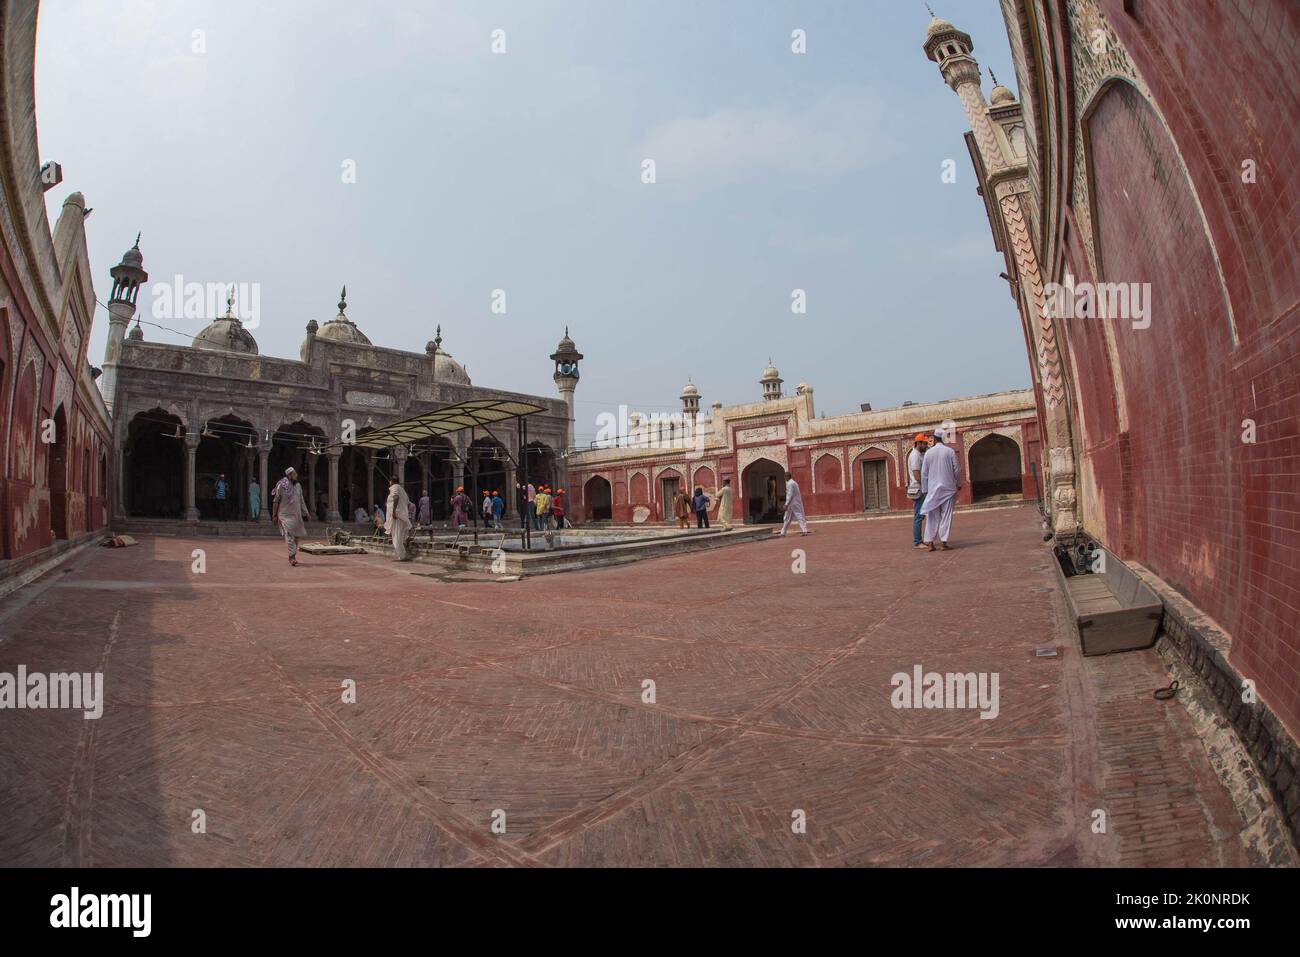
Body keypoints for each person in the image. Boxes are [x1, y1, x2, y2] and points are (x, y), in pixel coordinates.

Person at [920, 427, 962, 551]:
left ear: (933, 438)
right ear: (943, 438)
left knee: (932, 516)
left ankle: (931, 543)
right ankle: (944, 542)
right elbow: (957, 469)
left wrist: (925, 490)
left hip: (933, 490)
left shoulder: (929, 453)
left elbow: (924, 473)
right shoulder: (949, 452)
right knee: (946, 516)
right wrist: (958, 483)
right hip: (948, 489)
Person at [271, 467, 311, 566]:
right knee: (289, 536)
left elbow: (301, 500)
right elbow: (276, 501)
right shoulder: (281, 486)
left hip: (296, 515)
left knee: (296, 536)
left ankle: (292, 555)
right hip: (285, 515)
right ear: (289, 475)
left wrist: (306, 512)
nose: (296, 476)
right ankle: (292, 557)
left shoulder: (298, 486)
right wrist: (274, 515)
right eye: (294, 474)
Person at [907, 433, 930, 548]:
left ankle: (921, 540)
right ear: (918, 443)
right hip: (919, 489)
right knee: (919, 515)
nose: (926, 445)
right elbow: (917, 475)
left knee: (922, 515)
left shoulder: (920, 454)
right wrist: (926, 487)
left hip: (921, 488)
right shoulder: (915, 455)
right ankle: (917, 541)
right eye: (924, 443)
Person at [385, 480, 413, 561]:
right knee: (399, 537)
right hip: (401, 515)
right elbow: (408, 503)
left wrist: (394, 511)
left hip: (398, 516)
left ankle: (403, 556)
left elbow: (396, 497)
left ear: (391, 481)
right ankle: (402, 555)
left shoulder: (395, 487)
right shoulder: (402, 490)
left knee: (397, 537)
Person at [779, 471, 809, 536]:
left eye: (785, 476)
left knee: (794, 516)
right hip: (794, 502)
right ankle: (783, 532)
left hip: (792, 503)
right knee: (789, 517)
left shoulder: (790, 483)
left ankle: (804, 530)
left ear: (786, 477)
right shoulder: (793, 483)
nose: (784, 478)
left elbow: (790, 494)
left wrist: (786, 504)